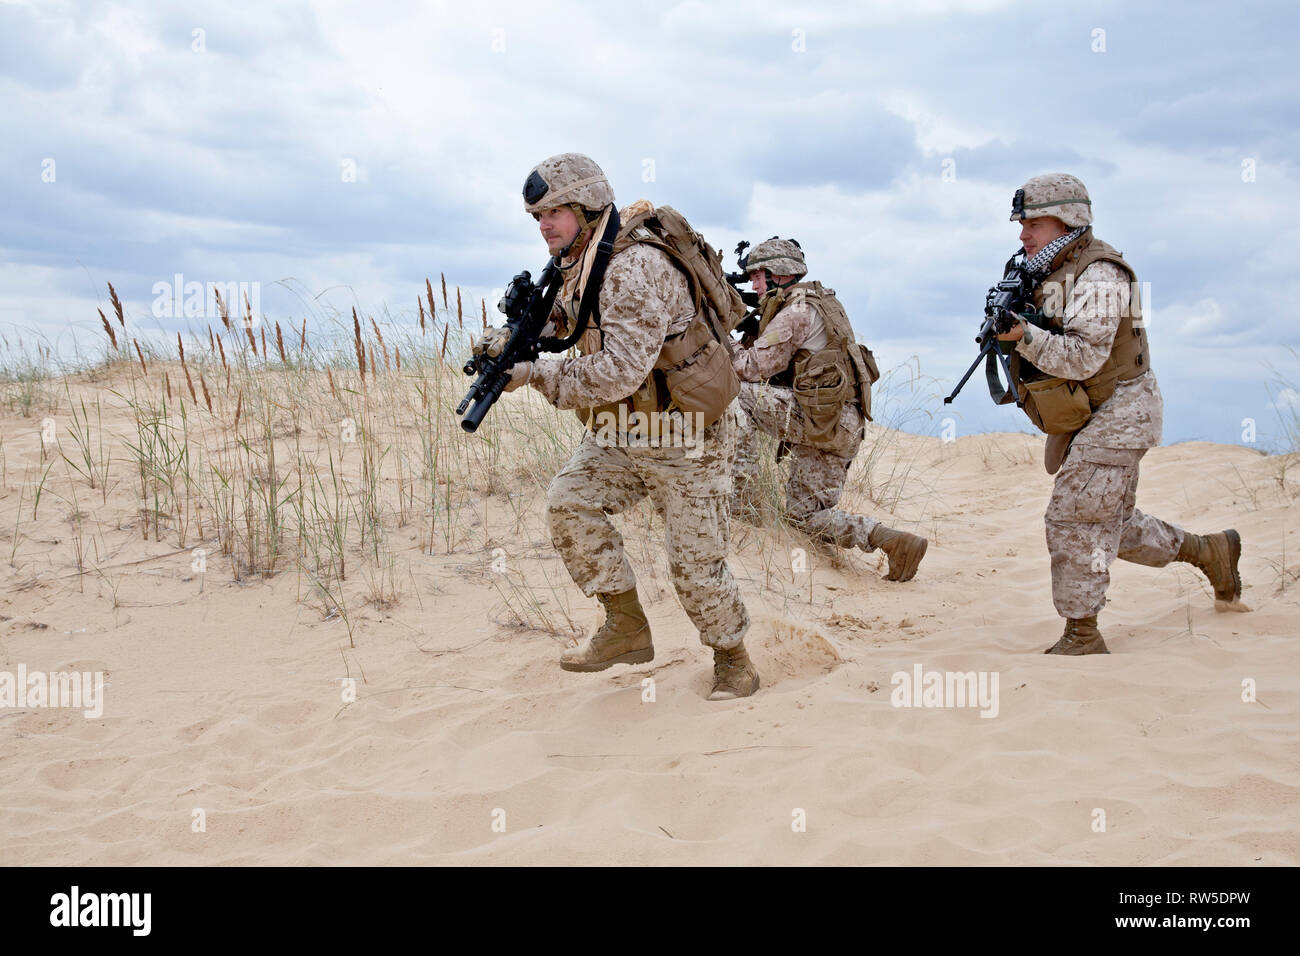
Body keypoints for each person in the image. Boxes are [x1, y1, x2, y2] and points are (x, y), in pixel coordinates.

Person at [479, 153, 759, 699]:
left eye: (553, 213)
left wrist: (534, 374)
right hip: (627, 432)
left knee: (696, 566)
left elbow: (616, 372)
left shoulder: (632, 269)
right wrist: (511, 340)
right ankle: (626, 627)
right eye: (537, 216)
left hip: (684, 437)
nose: (543, 226)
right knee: (569, 503)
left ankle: (734, 659)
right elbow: (573, 317)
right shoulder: (582, 256)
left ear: (585, 209)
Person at [997, 173, 1248, 655]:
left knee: (1073, 520)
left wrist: (1023, 336)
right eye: (1022, 224)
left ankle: (1082, 634)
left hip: (1121, 411)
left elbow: (1084, 357)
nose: (1023, 235)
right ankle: (1208, 551)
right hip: (1089, 411)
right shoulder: (1042, 268)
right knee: (1109, 520)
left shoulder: (1101, 275)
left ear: (1068, 222)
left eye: (1033, 224)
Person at [729, 238, 928, 581]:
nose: (753, 284)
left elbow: (749, 367)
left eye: (757, 275)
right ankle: (889, 540)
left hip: (819, 420)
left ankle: (739, 501)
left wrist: (721, 337)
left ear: (777, 273)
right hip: (840, 426)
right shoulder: (821, 304)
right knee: (804, 516)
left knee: (736, 394)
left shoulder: (796, 312)